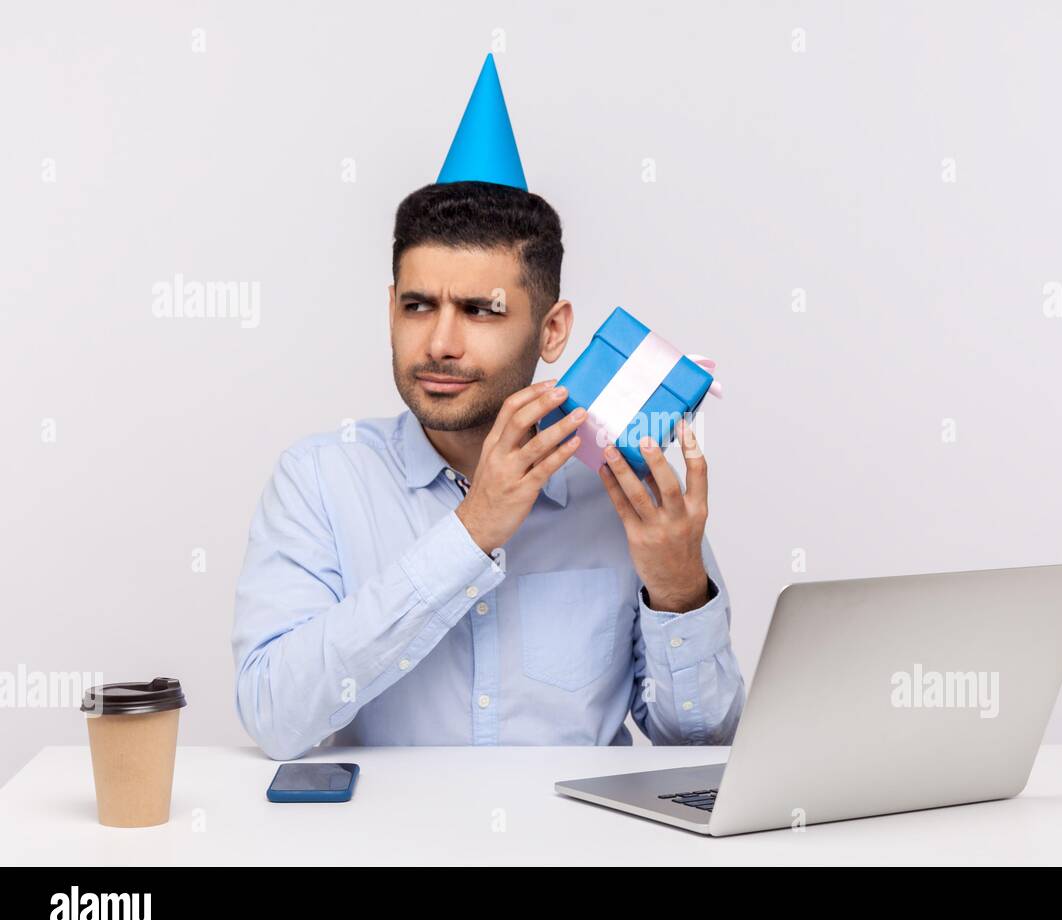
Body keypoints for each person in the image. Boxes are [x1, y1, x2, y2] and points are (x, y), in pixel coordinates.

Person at [230, 55, 745, 760]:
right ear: (391, 310)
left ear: (553, 329)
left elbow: (705, 747)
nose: (440, 343)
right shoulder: (319, 481)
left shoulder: (618, 488)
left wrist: (680, 588)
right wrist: (471, 534)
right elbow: (275, 718)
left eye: (482, 310)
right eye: (418, 306)